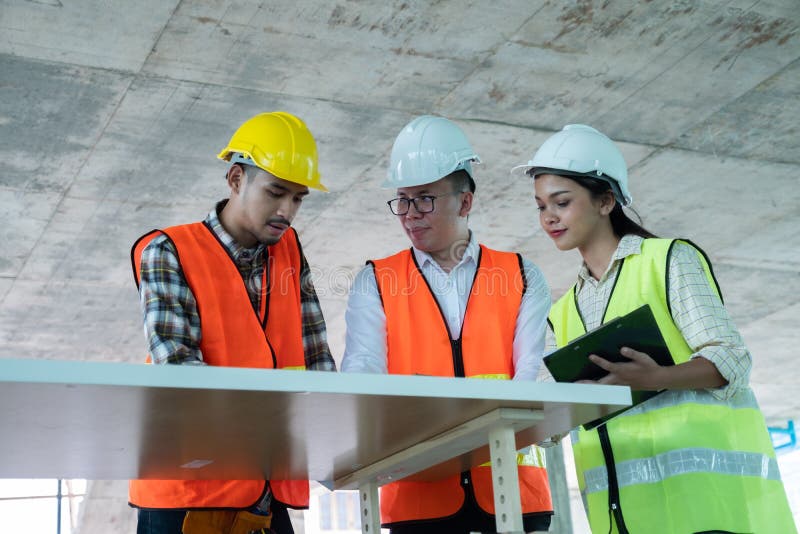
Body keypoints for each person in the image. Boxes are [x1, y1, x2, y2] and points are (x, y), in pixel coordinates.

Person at [515, 124, 796, 533]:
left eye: (561, 202)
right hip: (621, 519)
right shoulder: (561, 312)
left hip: (705, 511)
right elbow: (553, 415)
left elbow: (731, 359)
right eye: (541, 206)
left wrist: (658, 377)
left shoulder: (668, 261)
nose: (549, 217)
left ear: (605, 200)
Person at [341, 115, 554, 534]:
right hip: (418, 500)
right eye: (401, 199)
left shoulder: (521, 274)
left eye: (424, 199)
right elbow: (363, 379)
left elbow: (538, 372)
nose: (409, 214)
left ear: (465, 201)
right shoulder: (375, 281)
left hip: (516, 493)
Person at [128, 111, 337, 534]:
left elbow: (317, 360)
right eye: (276, 192)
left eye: (298, 198)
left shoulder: (289, 252)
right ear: (236, 179)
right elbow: (179, 371)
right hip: (187, 494)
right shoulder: (168, 251)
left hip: (266, 492)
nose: (287, 211)